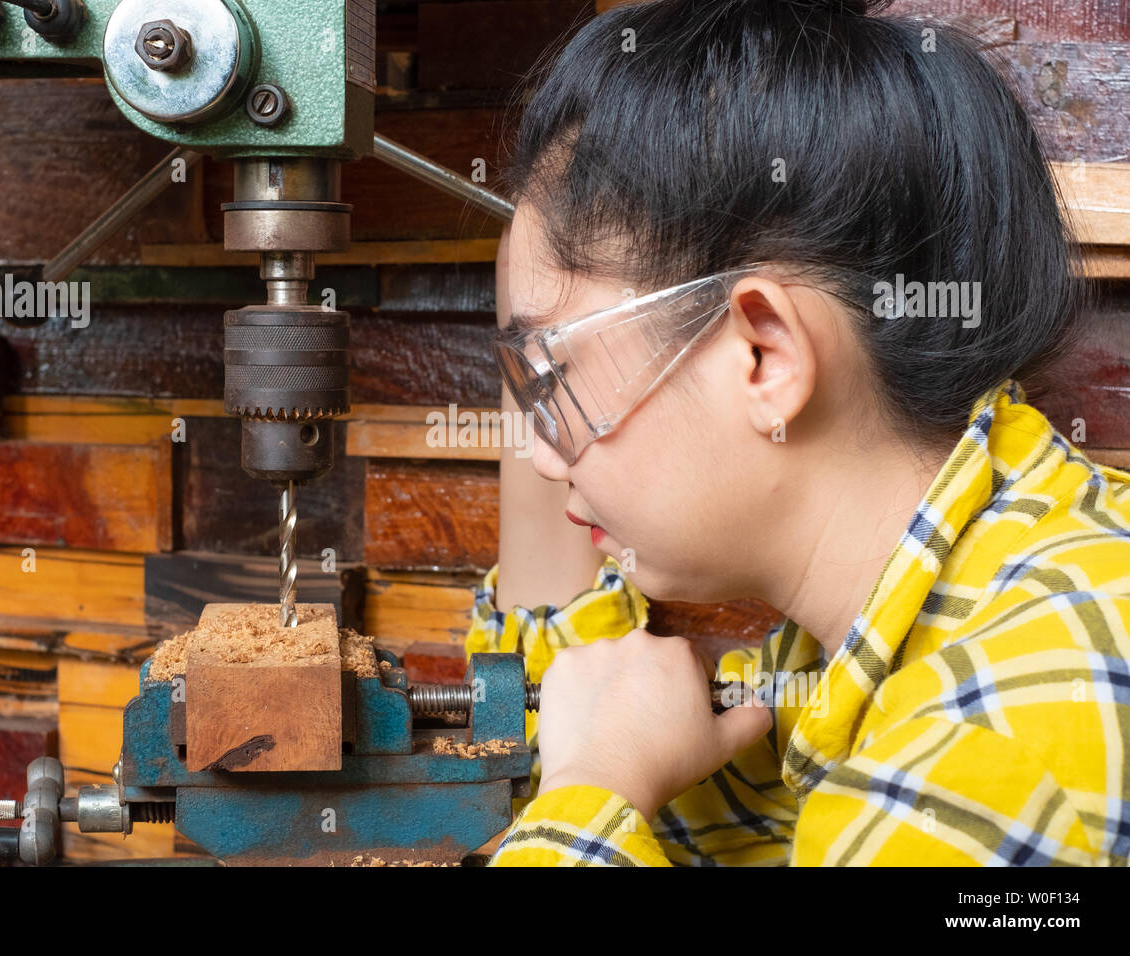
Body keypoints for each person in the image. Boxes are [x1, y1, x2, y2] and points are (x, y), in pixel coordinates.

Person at [463, 0, 1130, 865]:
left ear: (763, 357)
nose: (543, 456)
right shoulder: (902, 626)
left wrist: (589, 797)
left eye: (552, 379)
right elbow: (576, 701)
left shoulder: (986, 757)